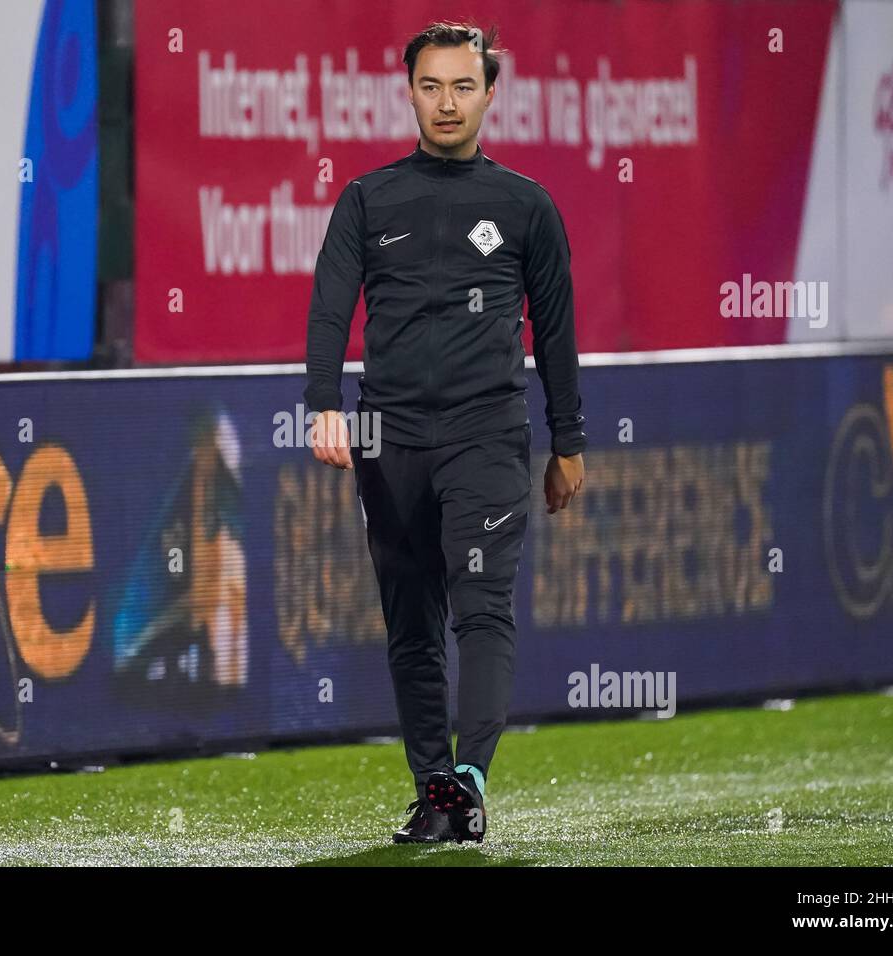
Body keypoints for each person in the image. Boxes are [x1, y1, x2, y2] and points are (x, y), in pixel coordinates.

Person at [303, 21, 586, 844]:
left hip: (486, 435)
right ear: (410, 92)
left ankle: (471, 775)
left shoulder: (526, 206)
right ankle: (436, 791)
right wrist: (323, 401)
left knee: (482, 607)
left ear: (491, 93)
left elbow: (558, 334)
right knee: (411, 623)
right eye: (431, 86)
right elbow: (331, 305)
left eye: (464, 86)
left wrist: (567, 443)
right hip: (389, 442)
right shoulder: (367, 198)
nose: (447, 102)